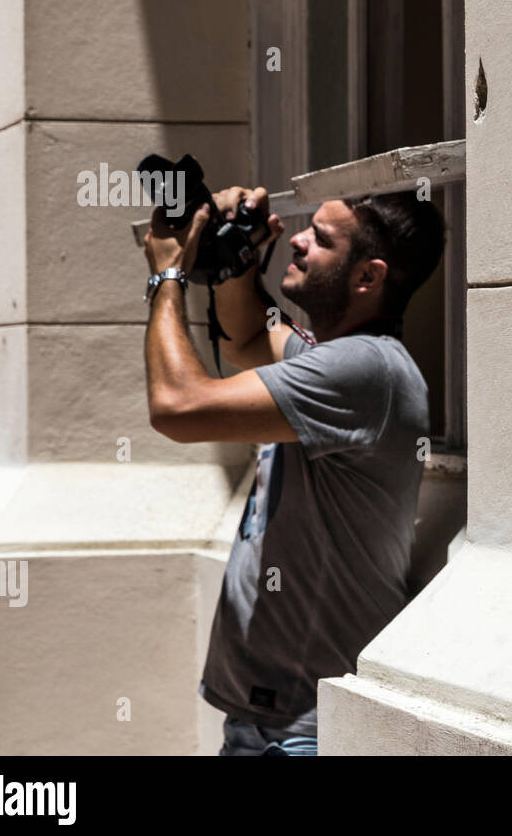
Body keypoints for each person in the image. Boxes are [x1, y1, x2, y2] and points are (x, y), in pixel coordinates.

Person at [141, 184, 445, 755]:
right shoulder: (335, 360)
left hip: (303, 735)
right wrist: (236, 259)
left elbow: (176, 407)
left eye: (322, 240)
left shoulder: (363, 370)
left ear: (367, 277)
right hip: (265, 724)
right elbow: (250, 335)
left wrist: (168, 275)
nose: (298, 241)